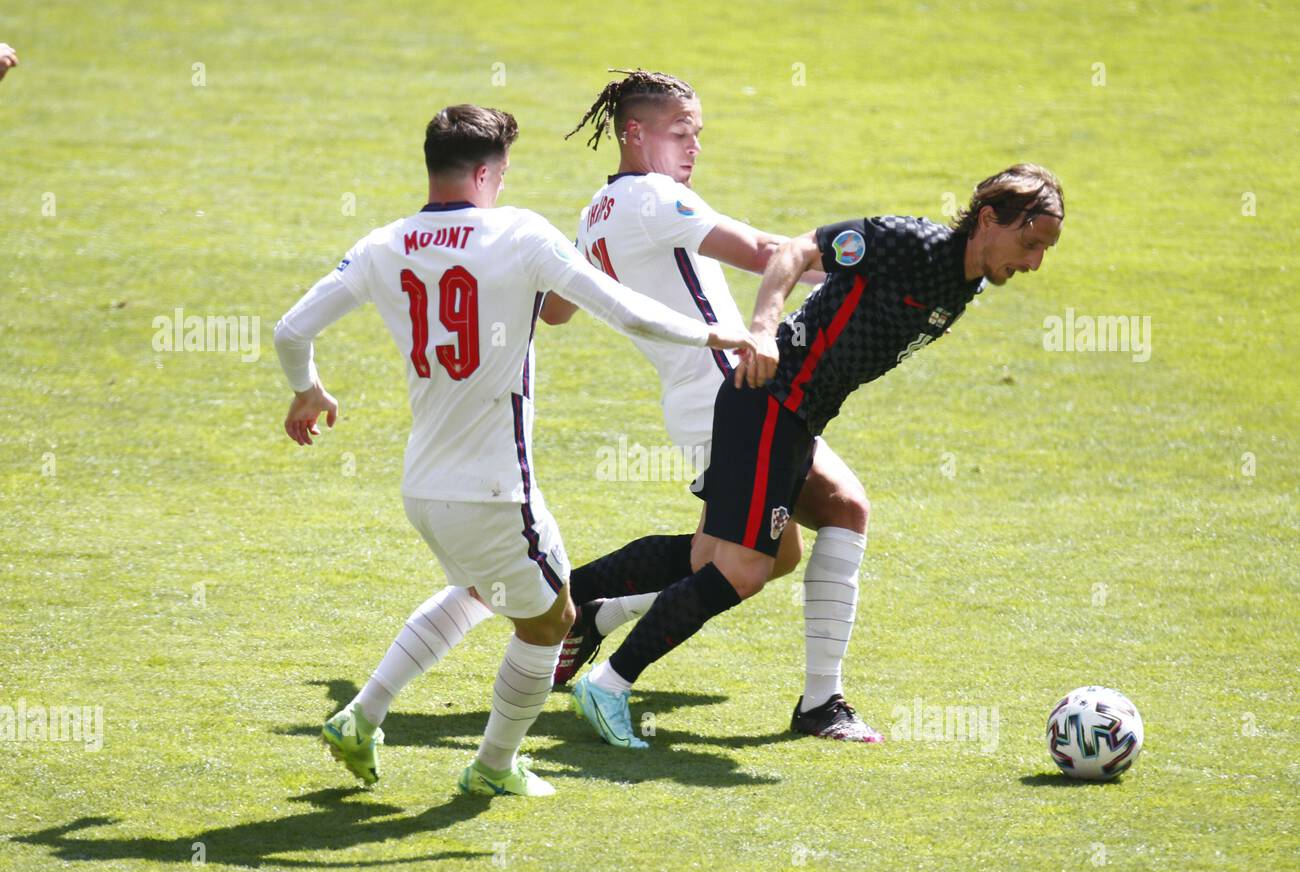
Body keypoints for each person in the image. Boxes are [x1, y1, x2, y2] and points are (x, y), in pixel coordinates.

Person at [273, 104, 754, 796]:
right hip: (498, 490)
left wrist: (307, 391)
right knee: (551, 621)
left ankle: (362, 715)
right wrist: (719, 337)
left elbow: (291, 330)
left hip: (424, 487)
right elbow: (624, 309)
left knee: (477, 592)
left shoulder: (382, 245)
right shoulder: (520, 232)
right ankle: (494, 768)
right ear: (483, 172)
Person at [570, 164, 1064, 751]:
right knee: (742, 569)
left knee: (737, 551)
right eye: (1030, 244)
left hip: (796, 420)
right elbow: (798, 250)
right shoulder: (909, 242)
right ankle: (608, 682)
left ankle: (575, 603)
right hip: (766, 404)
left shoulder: (965, 283)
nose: (1033, 263)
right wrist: (762, 327)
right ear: (988, 219)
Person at [541, 71, 877, 748]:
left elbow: (556, 310)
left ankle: (589, 611)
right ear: (635, 133)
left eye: (698, 133)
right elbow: (764, 252)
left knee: (746, 557)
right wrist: (872, 268)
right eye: (680, 132)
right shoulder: (653, 198)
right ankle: (820, 703)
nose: (693, 147)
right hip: (738, 391)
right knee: (833, 515)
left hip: (697, 399)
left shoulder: (596, 214)